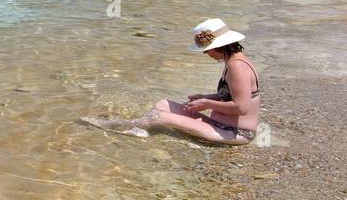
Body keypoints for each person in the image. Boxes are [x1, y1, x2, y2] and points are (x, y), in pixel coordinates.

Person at [83, 18, 261, 144]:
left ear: (219, 46)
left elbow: (242, 108)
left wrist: (207, 103)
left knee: (160, 116)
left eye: (207, 50)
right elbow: (233, 96)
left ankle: (118, 125)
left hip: (234, 133)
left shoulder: (237, 66)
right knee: (164, 104)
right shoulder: (235, 61)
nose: (206, 54)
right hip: (221, 126)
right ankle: (140, 127)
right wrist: (207, 96)